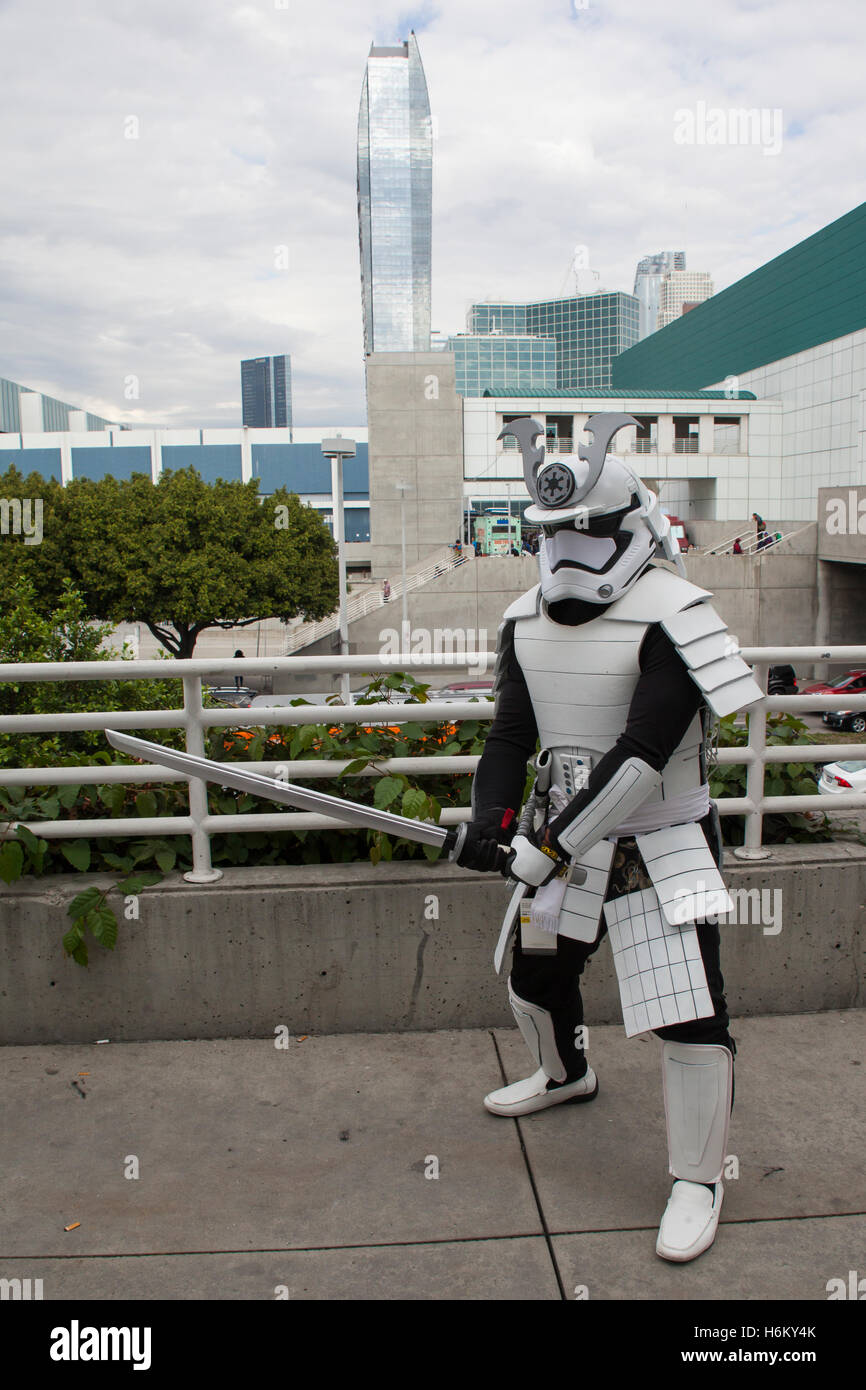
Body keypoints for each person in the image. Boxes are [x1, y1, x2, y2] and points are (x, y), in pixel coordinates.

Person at [451, 413, 762, 1264]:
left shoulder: (676, 616)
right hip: (562, 834)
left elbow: (640, 761)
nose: (569, 550)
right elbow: (510, 737)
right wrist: (491, 821)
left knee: (687, 1013)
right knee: (533, 973)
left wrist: (542, 845)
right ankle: (566, 1075)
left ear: (628, 528)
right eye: (553, 533)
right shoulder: (524, 620)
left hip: (660, 840)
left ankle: (699, 1178)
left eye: (586, 529)